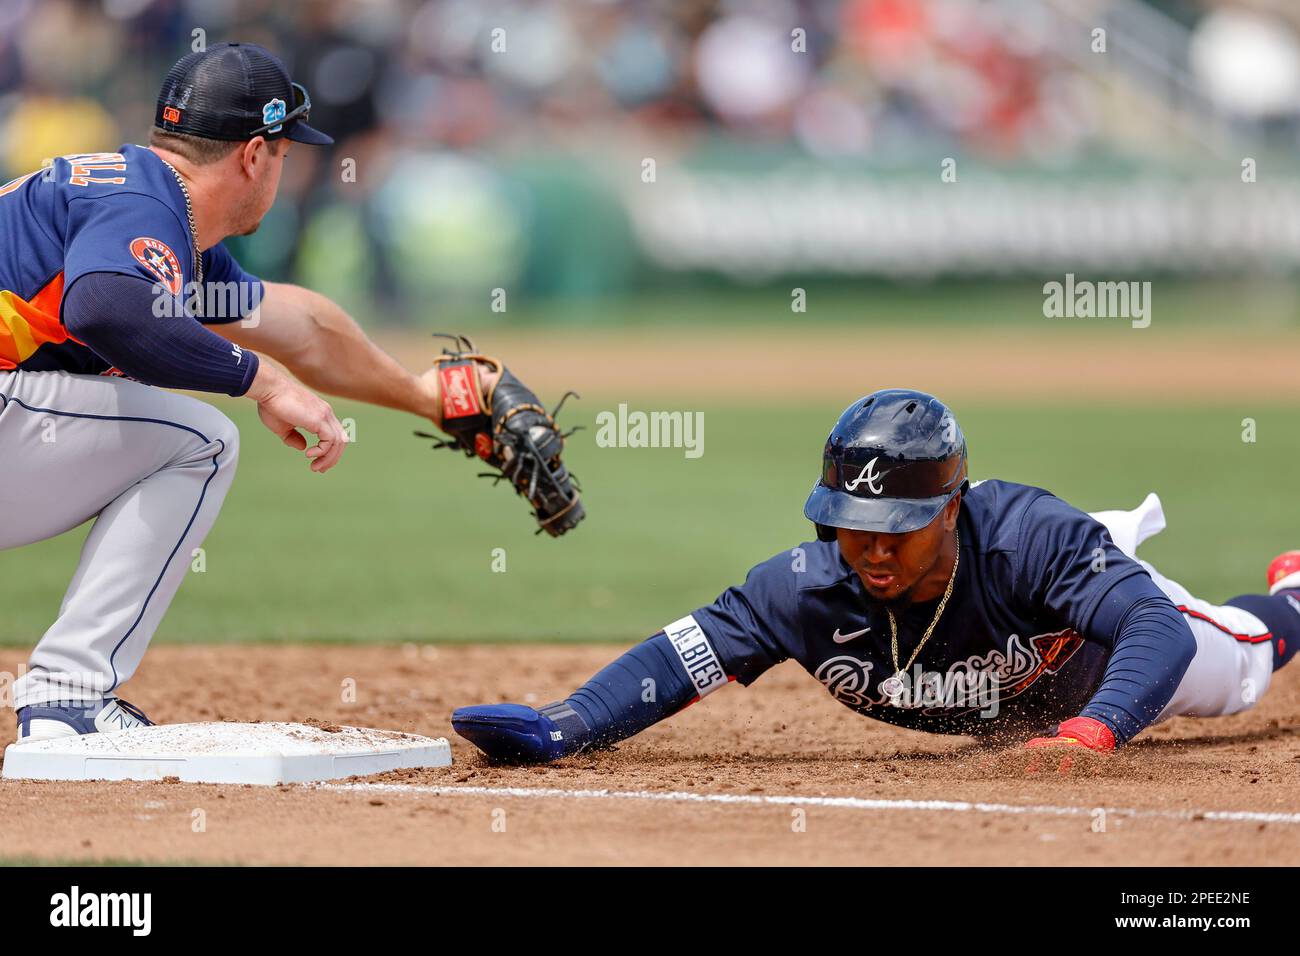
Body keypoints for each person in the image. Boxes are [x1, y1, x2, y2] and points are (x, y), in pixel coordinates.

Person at [0, 43, 490, 741]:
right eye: (287, 151)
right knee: (199, 443)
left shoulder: (151, 213)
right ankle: (68, 699)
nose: (289, 169)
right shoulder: (144, 207)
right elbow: (104, 307)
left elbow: (303, 329)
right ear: (254, 155)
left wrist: (426, 398)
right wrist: (258, 382)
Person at [452, 388, 1300, 768]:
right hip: (1018, 702)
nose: (874, 549)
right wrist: (565, 725)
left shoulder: (1028, 540)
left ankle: (1293, 588)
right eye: (853, 528)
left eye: (896, 527)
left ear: (950, 510)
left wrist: (1100, 727)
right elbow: (683, 656)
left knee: (1244, 663)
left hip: (1102, 660)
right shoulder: (801, 589)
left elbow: (1153, 629)